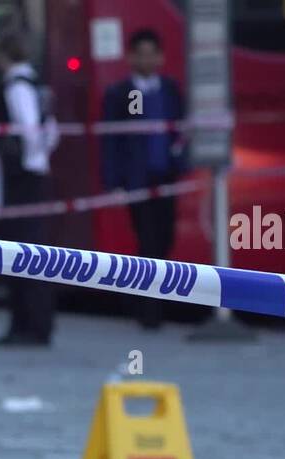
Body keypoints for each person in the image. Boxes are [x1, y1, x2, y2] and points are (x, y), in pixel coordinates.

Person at [100, 28, 188, 330]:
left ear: (161, 57)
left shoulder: (170, 90)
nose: (148, 59)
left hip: (167, 176)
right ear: (131, 57)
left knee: (165, 240)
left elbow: (182, 129)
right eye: (142, 53)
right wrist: (114, 182)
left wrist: (182, 161)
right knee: (148, 242)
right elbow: (110, 142)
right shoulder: (119, 94)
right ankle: (150, 313)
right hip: (137, 181)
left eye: (153, 53)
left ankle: (150, 300)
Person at [0, 31, 58, 348]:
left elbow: (30, 129)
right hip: (32, 173)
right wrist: (41, 156)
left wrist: (28, 157)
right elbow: (51, 130)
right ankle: (35, 323)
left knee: (18, 251)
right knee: (33, 248)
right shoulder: (37, 84)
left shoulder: (16, 87)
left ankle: (26, 324)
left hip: (20, 177)